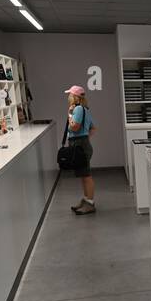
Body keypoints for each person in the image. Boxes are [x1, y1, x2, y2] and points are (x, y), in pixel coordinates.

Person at [64, 84, 97, 214]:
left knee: (86, 175)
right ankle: (86, 200)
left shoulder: (77, 110)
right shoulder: (85, 109)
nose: (68, 97)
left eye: (70, 95)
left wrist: (70, 115)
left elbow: (74, 127)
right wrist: (85, 138)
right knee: (84, 175)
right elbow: (93, 128)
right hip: (82, 144)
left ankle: (90, 203)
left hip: (80, 145)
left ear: (75, 97)